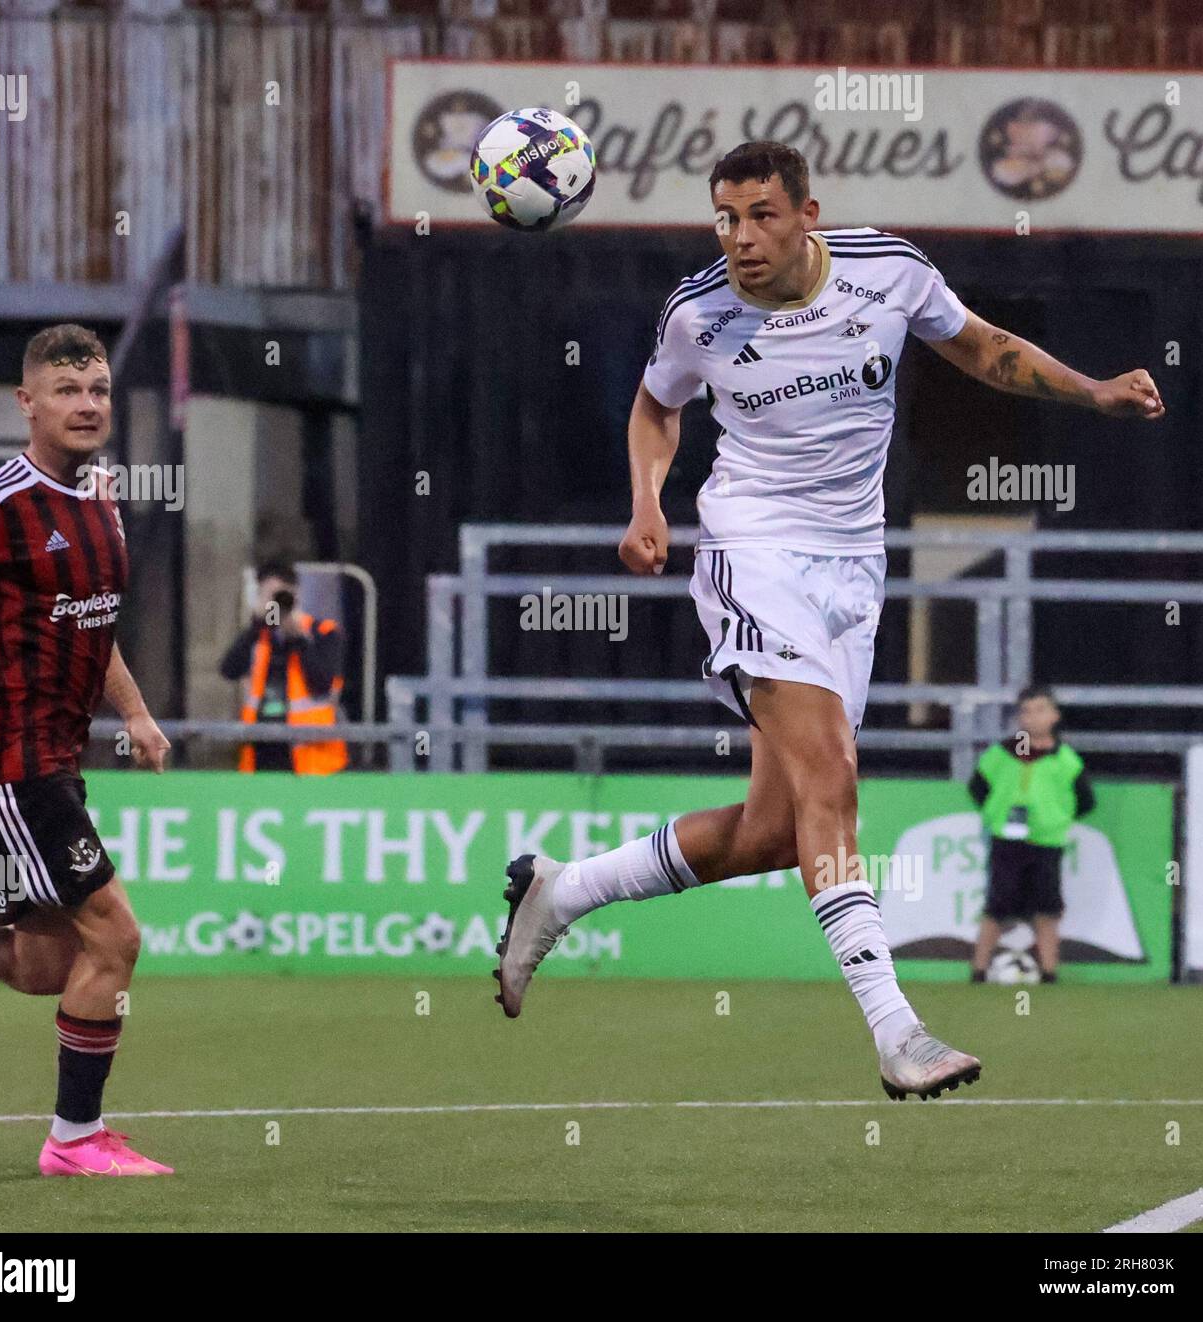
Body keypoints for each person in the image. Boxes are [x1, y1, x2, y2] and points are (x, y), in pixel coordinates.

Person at [492, 140, 1164, 1100]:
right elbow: (655, 408)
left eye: (762, 214)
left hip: (854, 571)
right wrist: (647, 501)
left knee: (775, 829)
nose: (741, 238)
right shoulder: (699, 312)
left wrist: (1092, 391)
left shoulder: (889, 273)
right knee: (833, 775)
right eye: (725, 218)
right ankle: (898, 1031)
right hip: (751, 552)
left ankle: (565, 890)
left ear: (808, 213)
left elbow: (981, 347)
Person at [0, 323, 173, 1175]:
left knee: (42, 966)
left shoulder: (101, 495)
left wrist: (136, 715)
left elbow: (93, 625)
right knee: (117, 937)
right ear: (26, 403)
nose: (87, 405)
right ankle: (73, 1141)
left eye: (97, 389)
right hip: (11, 766)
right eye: (67, 391)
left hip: (53, 761)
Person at [968, 686, 1096, 983]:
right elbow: (978, 788)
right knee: (997, 906)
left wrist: (1056, 819)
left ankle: (1050, 972)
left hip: (1047, 843)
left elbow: (1085, 801)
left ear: (1054, 715)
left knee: (1047, 908)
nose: (1032, 717)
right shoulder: (1001, 754)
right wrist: (995, 814)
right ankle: (978, 970)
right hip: (1007, 841)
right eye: (1025, 711)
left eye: (1040, 710)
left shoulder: (1065, 760)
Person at [219, 563, 346, 775]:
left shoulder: (323, 632)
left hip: (309, 756)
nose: (276, 606)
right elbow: (229, 670)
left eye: (280, 597)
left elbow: (322, 683)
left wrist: (299, 639)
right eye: (268, 597)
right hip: (261, 748)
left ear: (296, 594)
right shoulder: (258, 635)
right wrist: (256, 626)